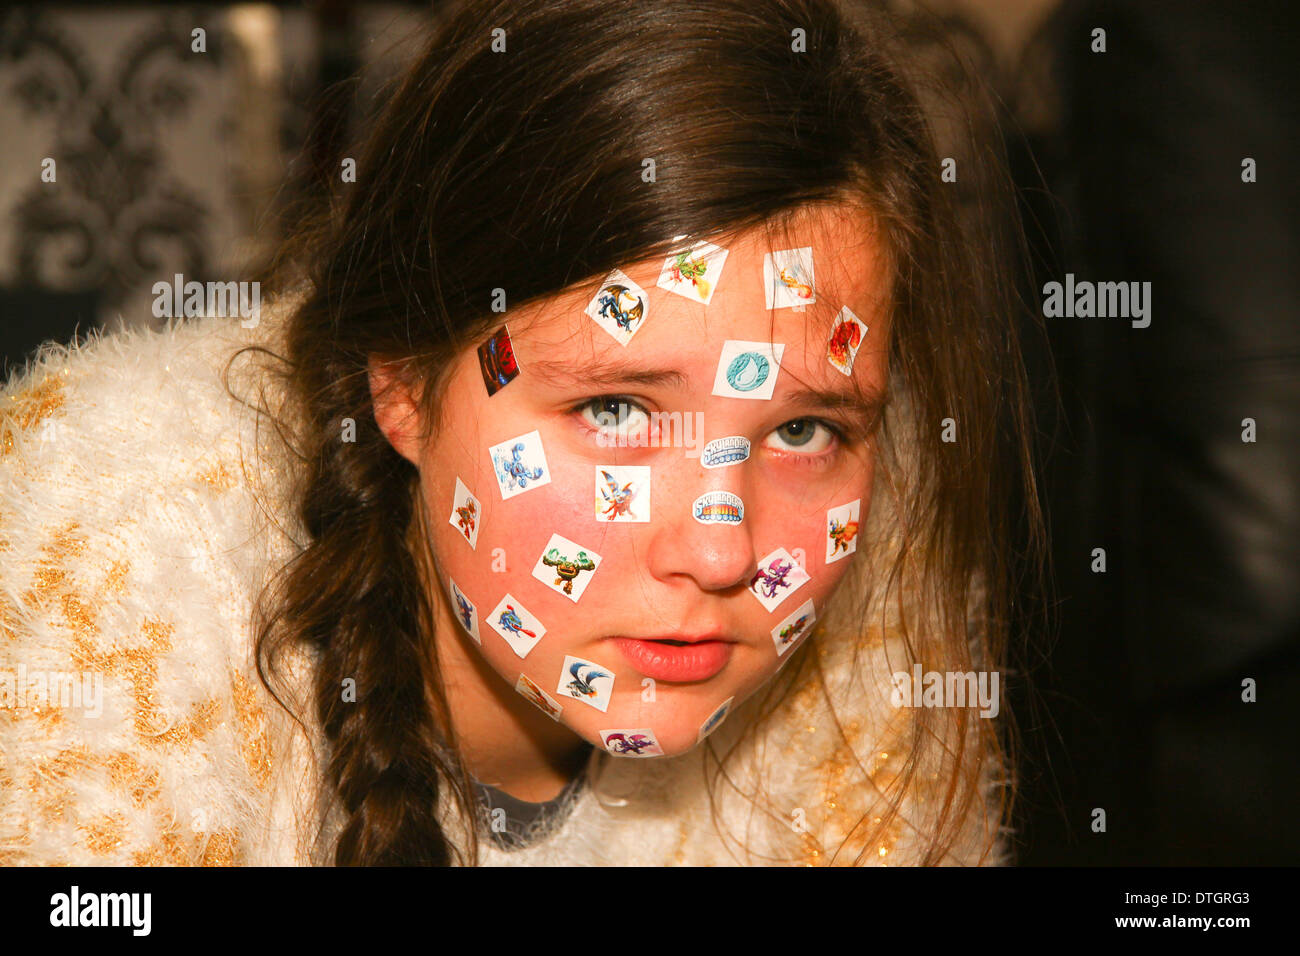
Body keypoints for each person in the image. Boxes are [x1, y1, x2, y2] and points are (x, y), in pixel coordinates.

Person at [0, 0, 1044, 866]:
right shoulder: (105, 571)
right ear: (401, 382)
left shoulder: (876, 609)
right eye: (617, 410)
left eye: (804, 428)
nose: (724, 550)